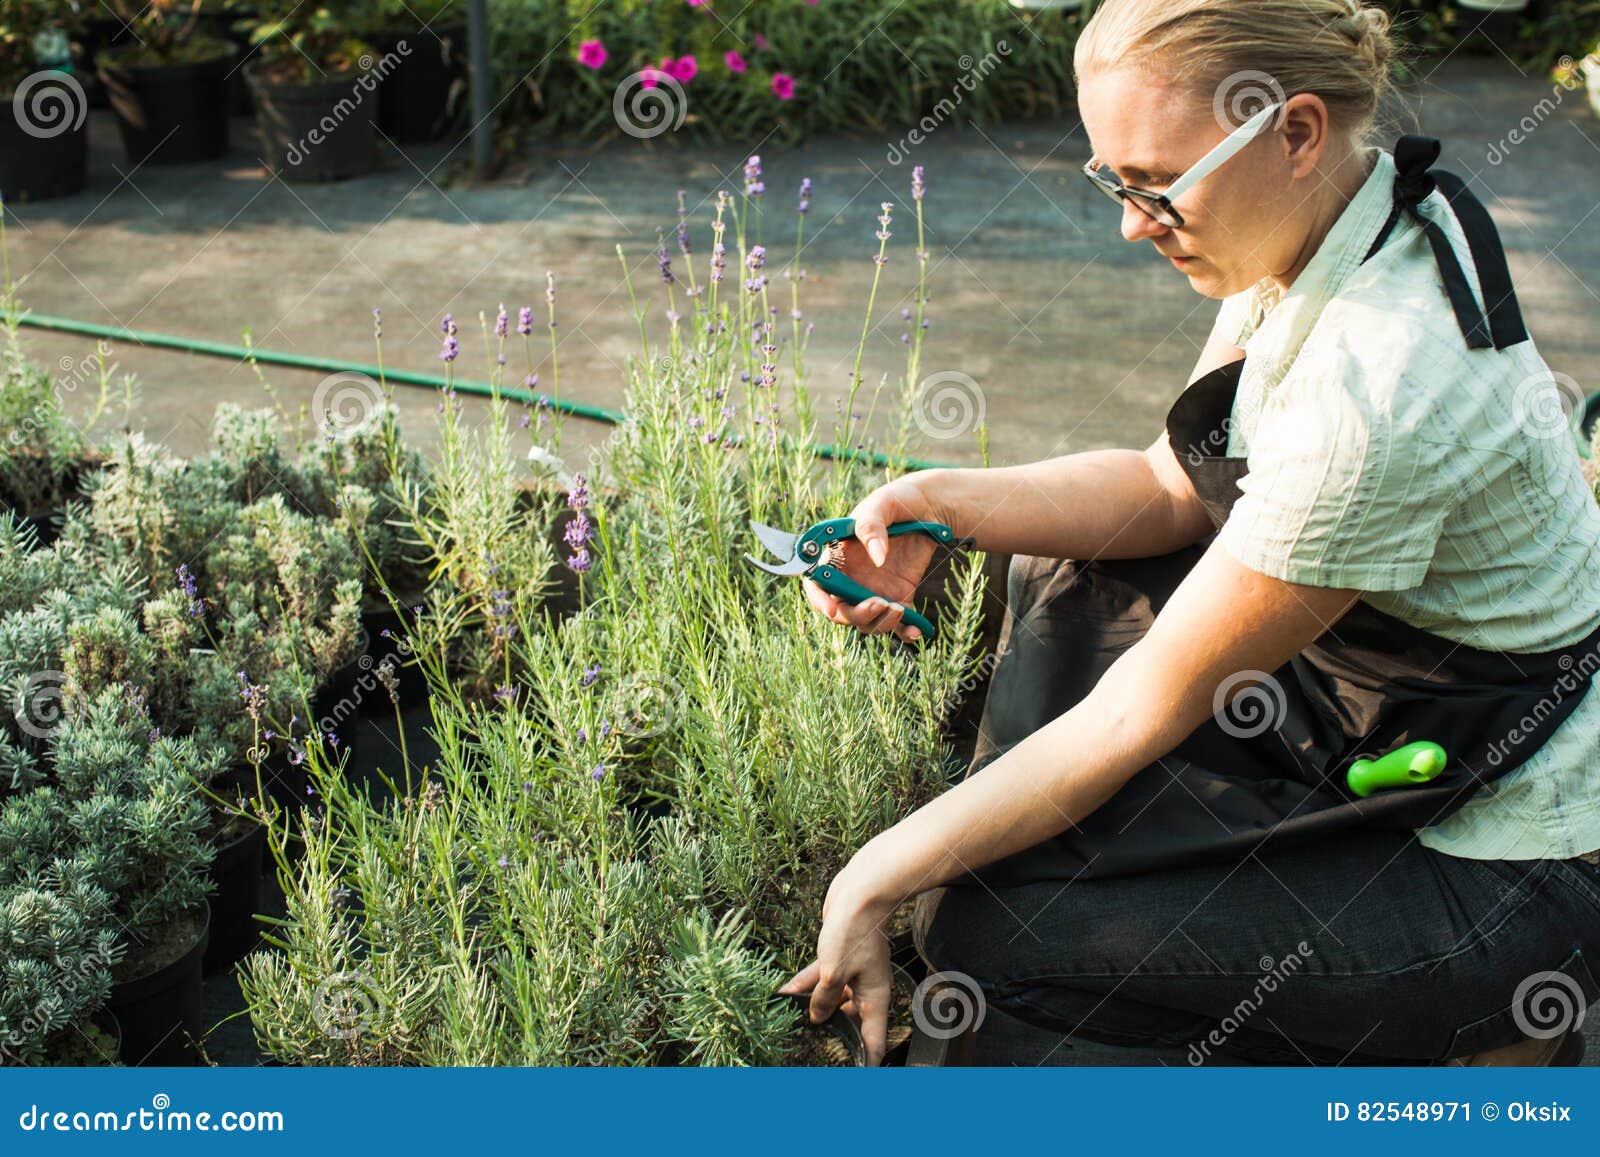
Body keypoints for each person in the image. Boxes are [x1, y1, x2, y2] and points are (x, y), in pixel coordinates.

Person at [778, 0, 1600, 1067]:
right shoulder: (1329, 227)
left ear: (1294, 131)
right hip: (1385, 701)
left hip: (1501, 850)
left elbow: (1137, 710)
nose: (1130, 222)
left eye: (1154, 184)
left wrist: (874, 874)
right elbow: (1162, 488)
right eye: (1112, 181)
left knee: (988, 930)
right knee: (1063, 569)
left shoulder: (1376, 383)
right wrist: (943, 500)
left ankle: (1449, 1053)